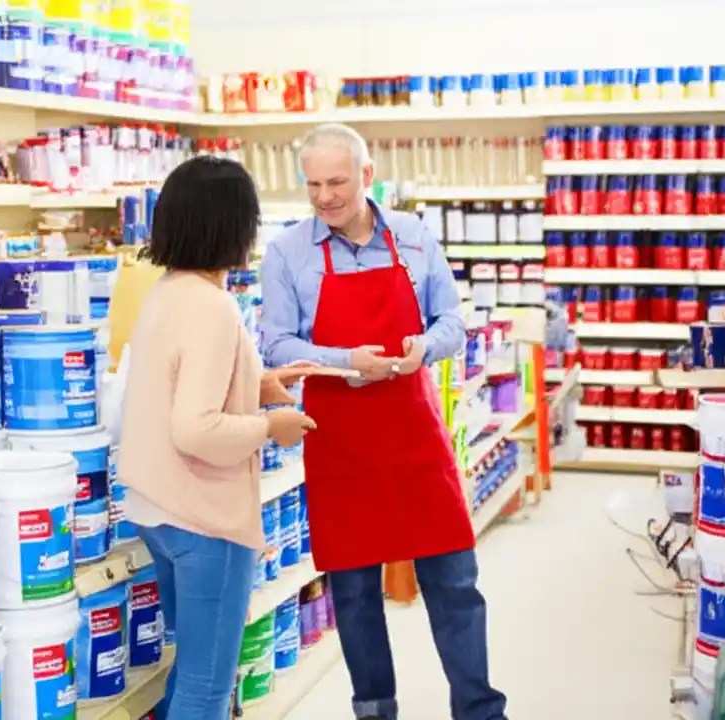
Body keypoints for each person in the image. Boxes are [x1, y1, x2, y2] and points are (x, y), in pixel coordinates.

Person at [259, 124, 509, 720]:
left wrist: (425, 347)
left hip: (413, 434)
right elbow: (275, 344)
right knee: (353, 593)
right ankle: (374, 708)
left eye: (337, 182)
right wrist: (346, 362)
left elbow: (452, 320)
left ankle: (479, 709)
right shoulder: (287, 251)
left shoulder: (416, 238)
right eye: (313, 184)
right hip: (340, 440)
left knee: (455, 581)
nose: (324, 197)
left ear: (367, 177)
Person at [119, 155, 318, 720]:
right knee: (207, 688)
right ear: (230, 225)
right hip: (203, 518)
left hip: (158, 508)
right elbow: (195, 427)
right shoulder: (212, 306)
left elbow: (175, 388)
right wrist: (269, 428)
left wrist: (256, 385)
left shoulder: (169, 291)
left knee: (192, 669)